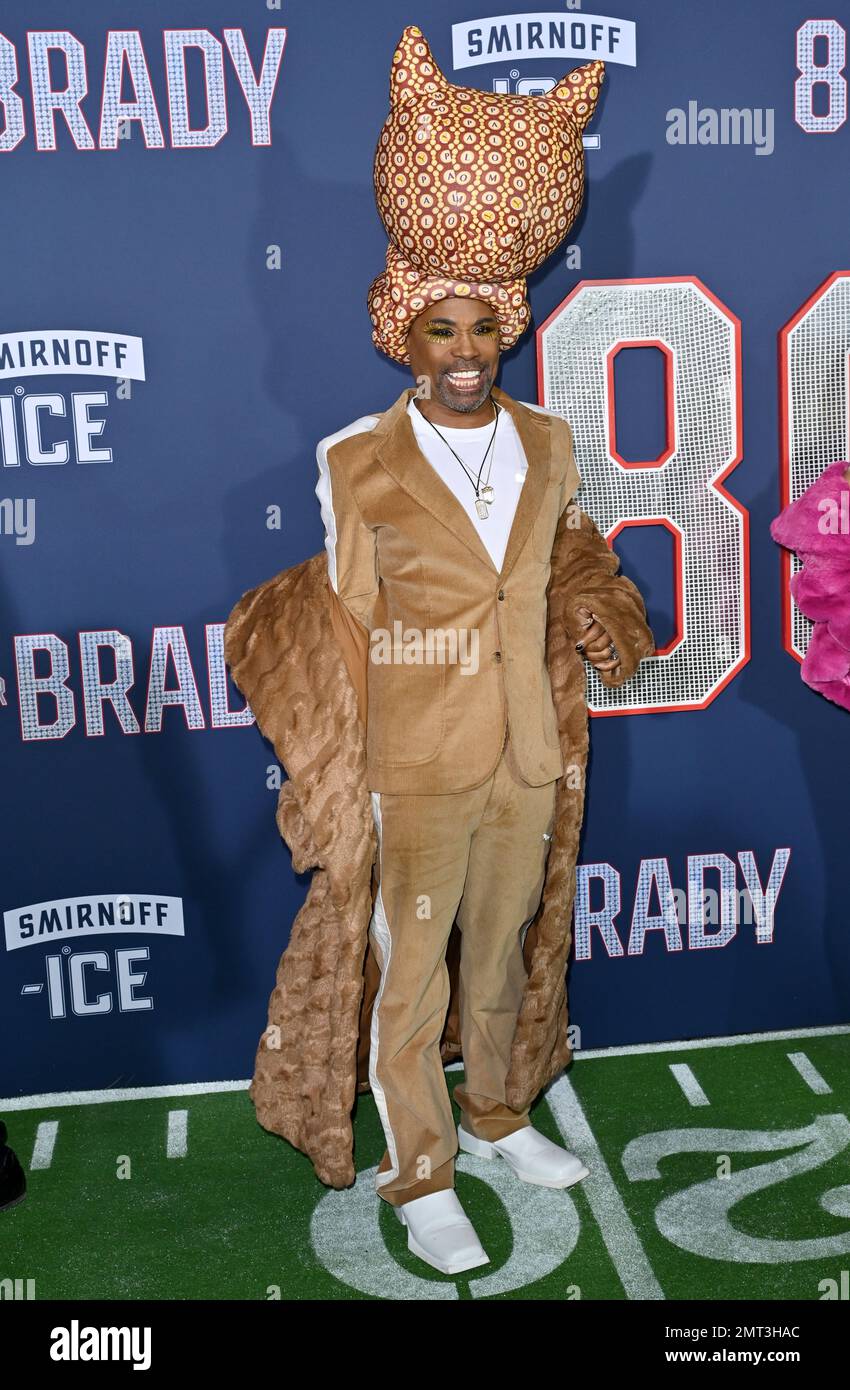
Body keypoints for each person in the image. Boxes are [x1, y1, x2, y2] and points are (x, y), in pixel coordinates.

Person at [314, 290, 648, 1275]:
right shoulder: (357, 459)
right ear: (406, 343)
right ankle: (420, 1173)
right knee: (415, 973)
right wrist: (346, 771)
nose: (465, 353)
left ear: (507, 335)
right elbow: (348, 625)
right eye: (441, 331)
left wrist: (604, 612)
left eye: (483, 330)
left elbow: (575, 560)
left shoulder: (549, 440)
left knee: (502, 947)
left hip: (525, 749)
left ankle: (497, 1113)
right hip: (417, 760)